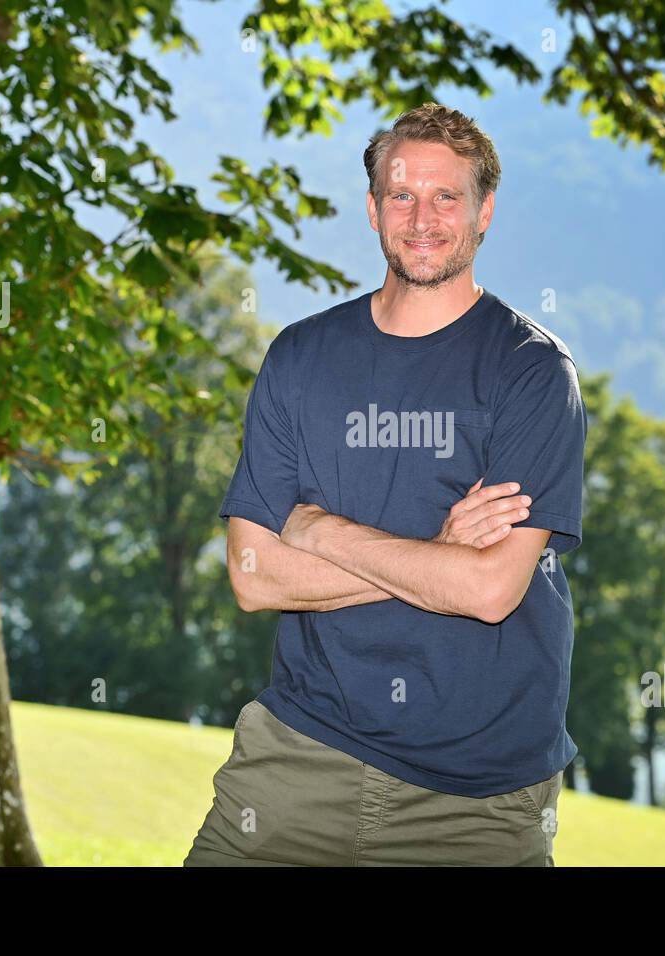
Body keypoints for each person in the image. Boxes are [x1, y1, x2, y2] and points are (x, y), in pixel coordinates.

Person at [184, 102, 586, 866]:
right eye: (402, 194)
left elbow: (489, 591)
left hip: (477, 795)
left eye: (447, 197)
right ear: (373, 209)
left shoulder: (531, 373)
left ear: (484, 212)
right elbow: (252, 575)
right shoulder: (300, 358)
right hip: (299, 758)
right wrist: (436, 551)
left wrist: (321, 530)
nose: (423, 216)